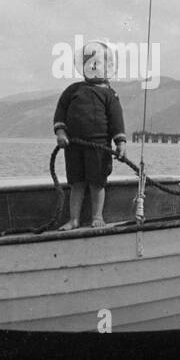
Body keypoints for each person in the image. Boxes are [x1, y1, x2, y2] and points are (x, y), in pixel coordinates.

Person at [52, 40, 127, 229]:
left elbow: (117, 121)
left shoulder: (110, 95)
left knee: (97, 183)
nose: (93, 66)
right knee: (76, 183)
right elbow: (60, 113)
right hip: (73, 146)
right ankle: (74, 219)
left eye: (98, 63)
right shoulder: (72, 91)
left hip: (99, 147)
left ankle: (97, 217)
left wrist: (121, 144)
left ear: (107, 66)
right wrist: (61, 133)